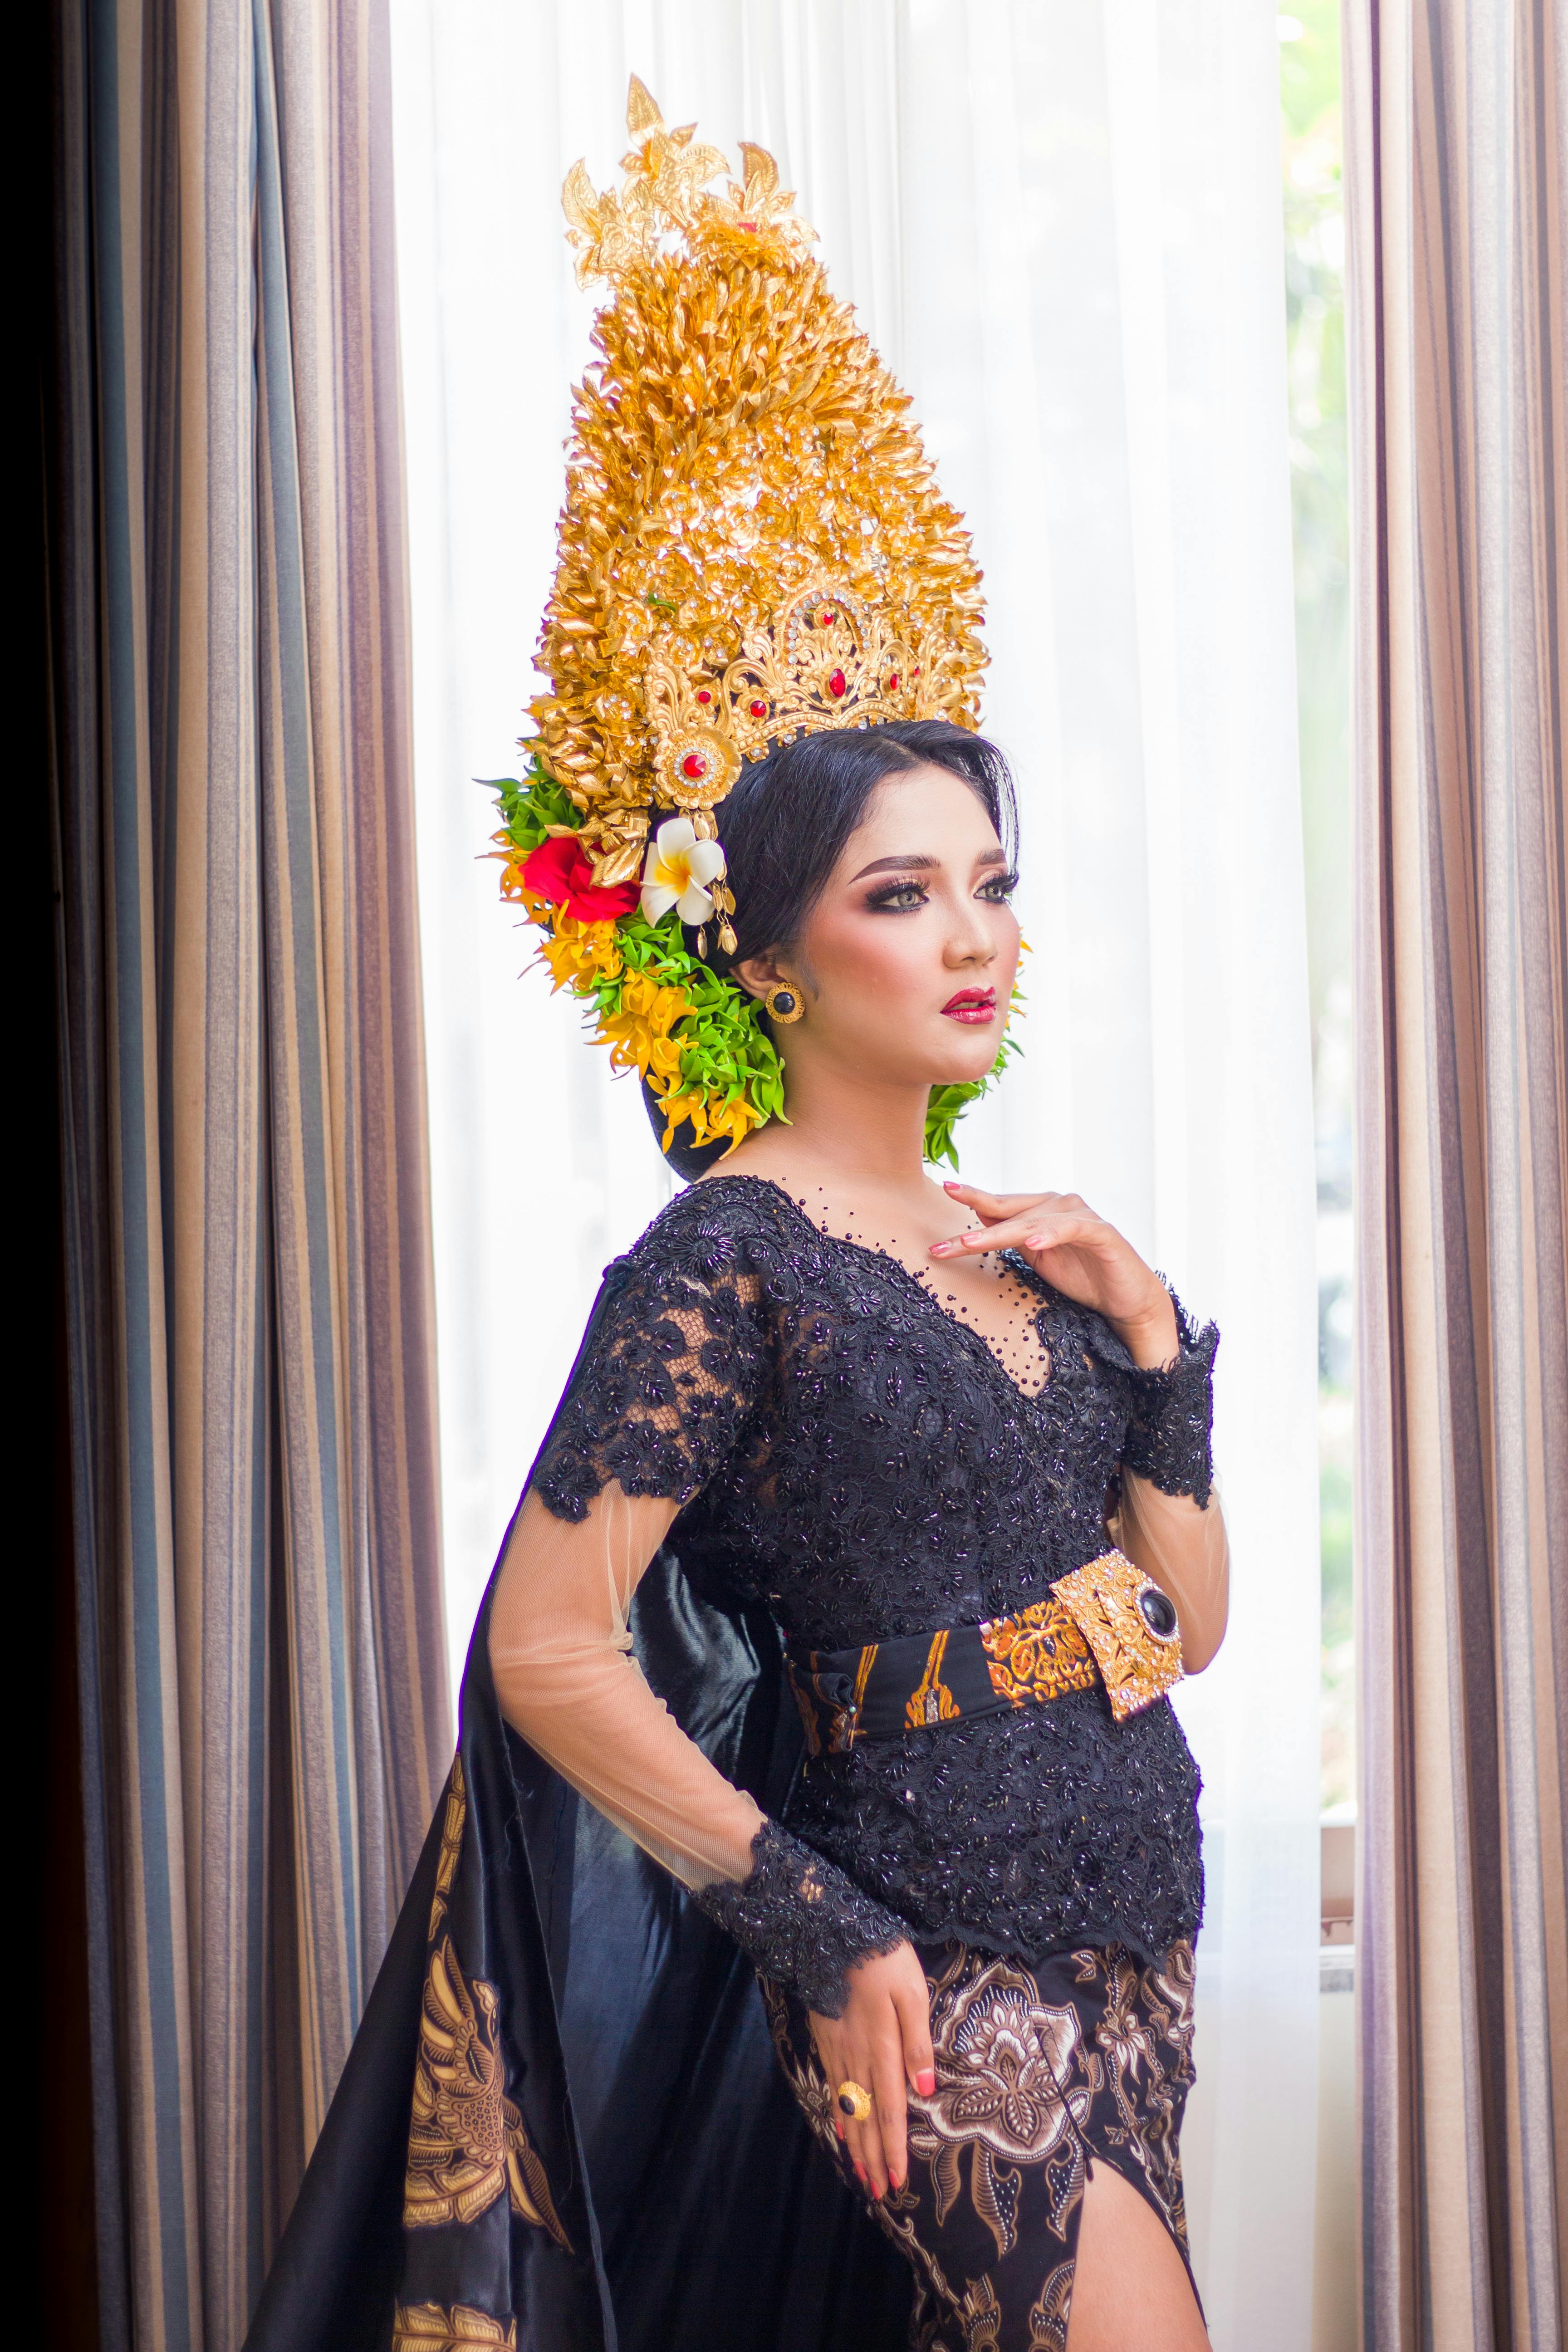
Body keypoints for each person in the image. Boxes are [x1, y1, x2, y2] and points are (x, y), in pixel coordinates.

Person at [245, 81, 1227, 2352]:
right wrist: (823, 1927)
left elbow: (1176, 1631)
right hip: (937, 1976)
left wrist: (1159, 1351)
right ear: (771, 959)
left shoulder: (1028, 1257)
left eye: (991, 883)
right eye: (904, 895)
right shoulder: (730, 1263)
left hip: (1134, 1940)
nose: (972, 934)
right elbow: (549, 1644)